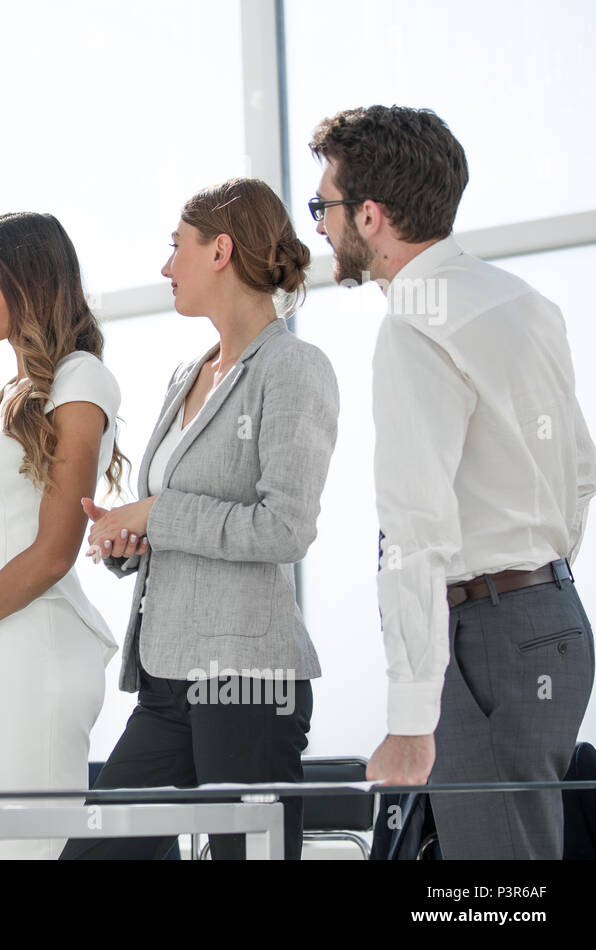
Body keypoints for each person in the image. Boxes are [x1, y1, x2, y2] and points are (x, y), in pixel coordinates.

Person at [309, 105, 596, 859]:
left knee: (493, 897)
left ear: (368, 215)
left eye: (325, 207)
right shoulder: (522, 302)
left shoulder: (413, 327)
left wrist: (409, 721)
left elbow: (415, 531)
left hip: (487, 640)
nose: (319, 227)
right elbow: (582, 471)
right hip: (552, 623)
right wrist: (538, 577)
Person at [61, 178, 338, 860]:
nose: (164, 268)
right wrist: (129, 535)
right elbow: (172, 524)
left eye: (175, 248)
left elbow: (285, 529)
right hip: (167, 678)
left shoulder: (294, 368)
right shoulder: (187, 373)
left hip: (247, 680)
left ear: (220, 250)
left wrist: (158, 511)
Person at [0, 211, 125, 860]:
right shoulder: (13, 392)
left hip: (36, 654)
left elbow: (54, 549)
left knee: (17, 851)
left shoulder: (79, 379)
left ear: (30, 285)